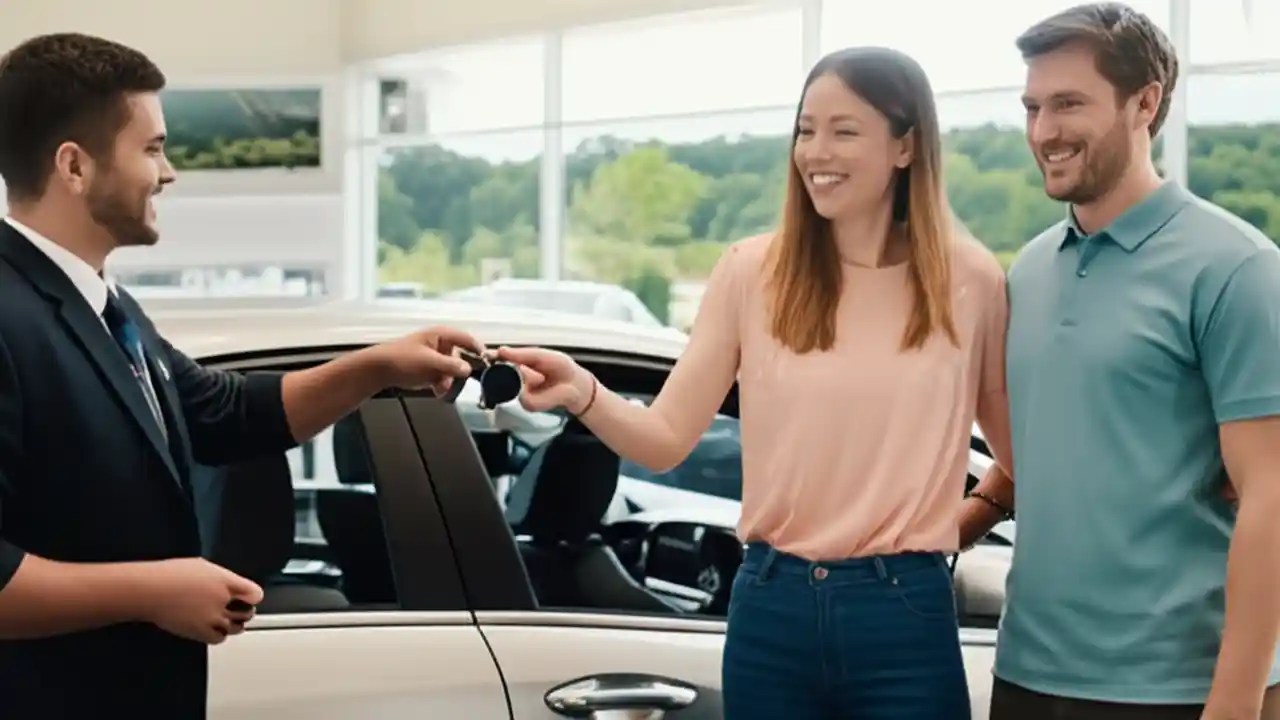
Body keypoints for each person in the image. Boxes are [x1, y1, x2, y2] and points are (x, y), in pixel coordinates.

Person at [498, 46, 1014, 719]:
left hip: (904, 614)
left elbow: (1021, 455)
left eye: (844, 130)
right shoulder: (751, 272)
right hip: (774, 608)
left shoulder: (969, 281)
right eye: (806, 130)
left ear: (906, 146)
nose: (816, 151)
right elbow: (663, 441)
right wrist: (581, 392)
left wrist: (961, 526)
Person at [0, 33, 482, 719]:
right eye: (152, 148)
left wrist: (378, 365)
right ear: (74, 167)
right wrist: (154, 591)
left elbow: (221, 413)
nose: (168, 174)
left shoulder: (104, 304)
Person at [958, 4, 1280, 719]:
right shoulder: (1032, 269)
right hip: (1028, 673)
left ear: (1146, 103)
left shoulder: (1237, 268)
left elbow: (1271, 498)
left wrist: (1233, 705)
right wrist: (949, 529)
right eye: (1032, 107)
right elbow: (1059, 440)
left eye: (1069, 104)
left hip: (1177, 689)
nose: (1043, 131)